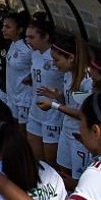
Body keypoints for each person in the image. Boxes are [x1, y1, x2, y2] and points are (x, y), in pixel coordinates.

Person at [36, 33, 93, 186]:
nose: (55, 64)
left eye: (57, 60)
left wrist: (54, 105)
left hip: (80, 138)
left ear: (71, 58)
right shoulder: (69, 74)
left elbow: (84, 114)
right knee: (64, 172)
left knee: (78, 181)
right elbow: (74, 102)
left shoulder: (87, 80)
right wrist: (57, 96)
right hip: (66, 132)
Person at [25, 14, 63, 168]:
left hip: (53, 113)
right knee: (36, 158)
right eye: (27, 37)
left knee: (51, 163)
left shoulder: (57, 57)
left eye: (32, 37)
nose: (28, 40)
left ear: (46, 37)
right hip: (36, 109)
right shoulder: (34, 54)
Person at [3, 11, 34, 134]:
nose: (3, 29)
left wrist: (31, 77)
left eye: (8, 27)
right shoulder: (13, 44)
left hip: (24, 98)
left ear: (20, 29)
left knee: (22, 133)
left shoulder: (28, 49)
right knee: (13, 128)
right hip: (12, 95)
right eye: (4, 26)